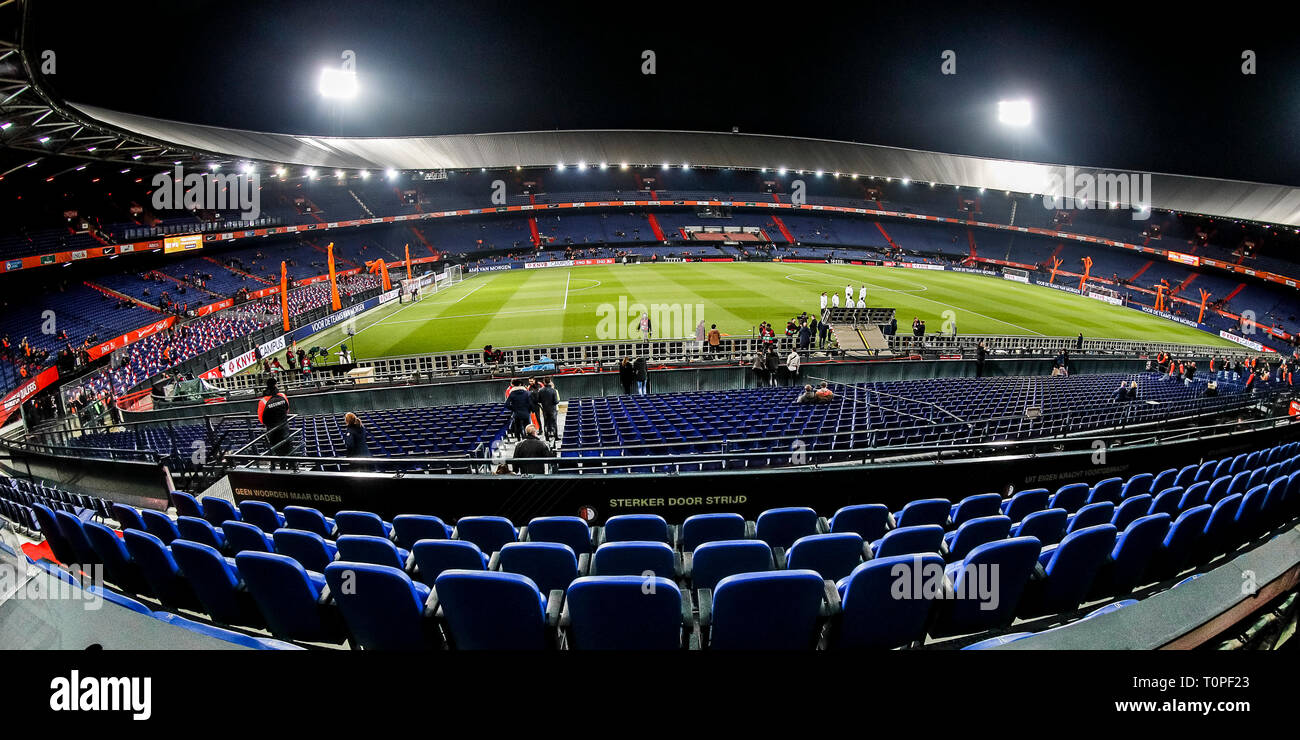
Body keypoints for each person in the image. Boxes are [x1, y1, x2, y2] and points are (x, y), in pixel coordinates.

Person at [257, 379, 291, 469]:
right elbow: (287, 410)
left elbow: (261, 419)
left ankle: (274, 467)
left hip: (271, 429)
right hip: (284, 426)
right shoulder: (282, 396)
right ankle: (288, 466)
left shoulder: (263, 401)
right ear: (276, 385)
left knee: (274, 448)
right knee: (287, 447)